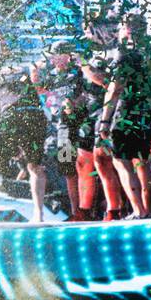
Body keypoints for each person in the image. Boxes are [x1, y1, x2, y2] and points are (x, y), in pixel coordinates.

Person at [86, 13, 151, 220]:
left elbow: (114, 90)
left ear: (127, 29)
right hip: (146, 113)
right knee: (144, 163)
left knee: (122, 163)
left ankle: (139, 211)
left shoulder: (125, 54)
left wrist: (104, 121)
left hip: (125, 112)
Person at [0, 50, 50, 222]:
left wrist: (11, 143)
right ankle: (38, 215)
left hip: (12, 117)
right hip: (36, 115)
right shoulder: (18, 72)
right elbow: (31, 92)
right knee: (35, 167)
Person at [33, 41, 99, 221]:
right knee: (68, 169)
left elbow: (90, 92)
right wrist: (34, 71)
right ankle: (75, 210)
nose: (59, 59)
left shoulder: (78, 72)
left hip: (82, 123)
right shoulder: (50, 75)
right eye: (55, 55)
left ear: (69, 56)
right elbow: (38, 88)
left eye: (63, 54)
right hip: (62, 127)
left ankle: (90, 209)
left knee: (86, 166)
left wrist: (76, 103)